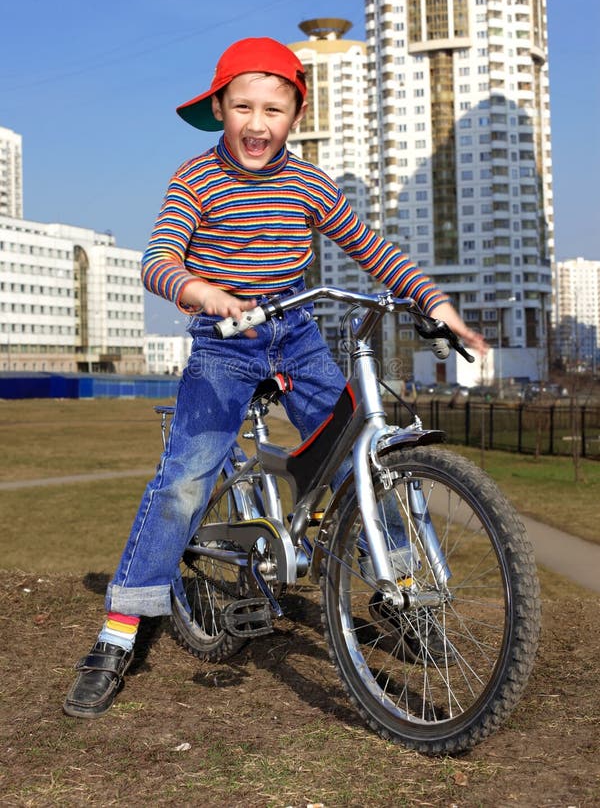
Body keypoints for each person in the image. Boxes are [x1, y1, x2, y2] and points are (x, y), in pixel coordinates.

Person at [63, 37, 487, 718]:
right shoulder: (195, 179)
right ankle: (118, 633)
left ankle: (402, 591)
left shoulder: (311, 185)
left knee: (363, 457)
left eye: (274, 109)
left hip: (296, 335)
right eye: (243, 107)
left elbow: (373, 250)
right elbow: (158, 259)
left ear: (295, 115)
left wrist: (433, 302)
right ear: (220, 110)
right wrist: (201, 292)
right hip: (224, 344)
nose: (258, 123)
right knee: (183, 483)